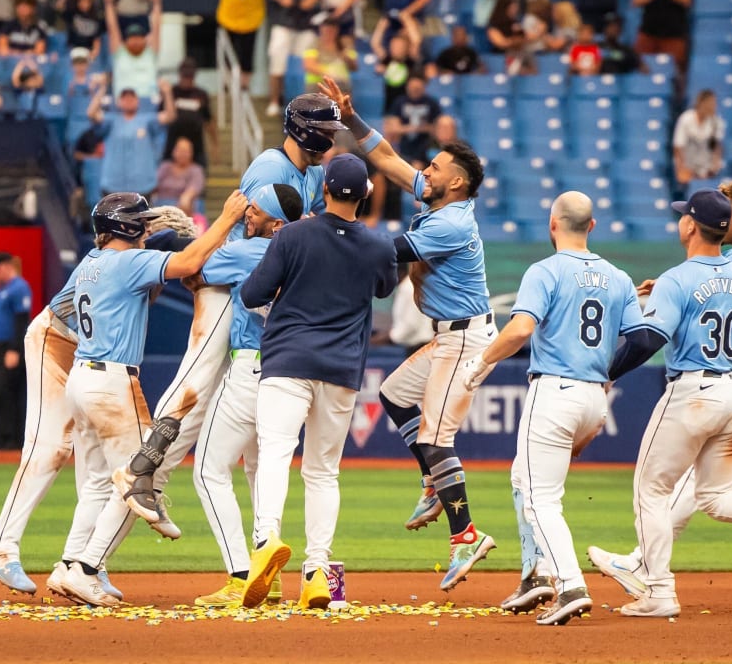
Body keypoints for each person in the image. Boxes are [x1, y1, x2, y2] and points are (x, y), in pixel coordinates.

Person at [103, 95, 350, 549]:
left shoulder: (312, 174)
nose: (331, 140)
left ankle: (249, 548)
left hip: (246, 280)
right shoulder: (270, 169)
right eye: (327, 132)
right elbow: (248, 231)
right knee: (193, 384)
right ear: (304, 130)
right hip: (226, 280)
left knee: (239, 440)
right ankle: (143, 471)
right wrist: (199, 269)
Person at [591, 180, 732, 602]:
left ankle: (656, 588)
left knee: (652, 489)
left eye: (683, 216)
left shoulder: (679, 278)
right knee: (714, 493)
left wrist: (608, 373)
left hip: (694, 391)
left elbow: (650, 340)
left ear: (691, 226)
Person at [324, 79, 500, 593]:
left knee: (435, 438)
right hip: (448, 336)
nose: (427, 171)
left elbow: (385, 252)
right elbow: (387, 159)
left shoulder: (452, 225)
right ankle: (431, 482)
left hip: (466, 341)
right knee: (394, 394)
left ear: (458, 183)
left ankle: (466, 535)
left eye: (437, 168)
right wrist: (351, 120)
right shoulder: (437, 199)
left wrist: (331, 228)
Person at [44, 190, 248, 606]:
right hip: (111, 382)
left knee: (98, 484)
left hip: (81, 377)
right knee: (139, 479)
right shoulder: (129, 262)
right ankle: (86, 571)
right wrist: (227, 219)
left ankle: (67, 564)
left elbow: (63, 310)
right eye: (141, 222)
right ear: (126, 226)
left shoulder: (89, 262)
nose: (147, 227)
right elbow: (189, 263)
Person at [459, 191, 646, 625]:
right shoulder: (618, 278)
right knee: (522, 477)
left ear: (552, 224)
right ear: (592, 226)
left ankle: (570, 585)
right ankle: (536, 574)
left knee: (541, 499)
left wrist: (479, 363)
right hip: (596, 398)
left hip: (555, 391)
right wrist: (607, 373)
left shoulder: (544, 270)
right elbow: (641, 339)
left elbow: (520, 329)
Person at [238, 155, 399, 609]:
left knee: (275, 453)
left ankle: (266, 539)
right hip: (341, 368)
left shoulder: (292, 235)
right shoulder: (379, 246)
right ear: (365, 194)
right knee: (323, 472)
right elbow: (385, 288)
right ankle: (316, 572)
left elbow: (251, 294)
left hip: (288, 359)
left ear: (323, 189)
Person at [188, 184, 305, 607]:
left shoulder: (247, 251)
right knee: (259, 471)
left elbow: (193, 271)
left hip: (249, 366)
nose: (247, 215)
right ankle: (267, 576)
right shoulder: (303, 252)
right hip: (287, 370)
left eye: (255, 211)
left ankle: (241, 575)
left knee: (208, 470)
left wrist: (223, 223)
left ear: (277, 223)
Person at [263, 0, 323, 114]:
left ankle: (304, 104)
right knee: (277, 61)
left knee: (306, 65)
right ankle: (274, 100)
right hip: (284, 19)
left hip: (306, 21)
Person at [87, 83, 175, 198]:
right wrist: (102, 89)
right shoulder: (111, 120)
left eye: (132, 98)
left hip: (142, 184)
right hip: (113, 183)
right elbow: (91, 113)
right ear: (118, 102)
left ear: (138, 101)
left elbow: (170, 116)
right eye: (125, 98)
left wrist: (167, 92)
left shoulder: (147, 120)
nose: (128, 101)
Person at [0, 253, 33, 451]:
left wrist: (15, 349)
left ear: (5, 266)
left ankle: (14, 438)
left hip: (11, 346)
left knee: (9, 390)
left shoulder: (19, 288)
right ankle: (3, 436)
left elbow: (22, 321)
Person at [162, 58, 217, 170]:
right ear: (180, 75)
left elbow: (208, 120)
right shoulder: (171, 92)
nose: (187, 80)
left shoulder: (201, 94)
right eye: (185, 76)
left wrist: (215, 143)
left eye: (190, 77)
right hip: (173, 145)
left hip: (196, 146)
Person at [672, 89, 726, 192]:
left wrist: (714, 168)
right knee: (683, 179)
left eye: (714, 103)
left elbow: (717, 148)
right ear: (701, 103)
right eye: (710, 103)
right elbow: (678, 146)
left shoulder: (716, 122)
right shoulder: (686, 118)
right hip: (687, 165)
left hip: (706, 168)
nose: (713, 106)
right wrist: (682, 169)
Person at [152, 137, 205, 214]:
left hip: (186, 206)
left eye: (185, 151)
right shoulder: (165, 166)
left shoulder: (196, 169)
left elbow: (195, 186)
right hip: (162, 204)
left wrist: (186, 197)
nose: (182, 154)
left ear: (191, 153)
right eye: (180, 150)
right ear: (174, 151)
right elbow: (153, 183)